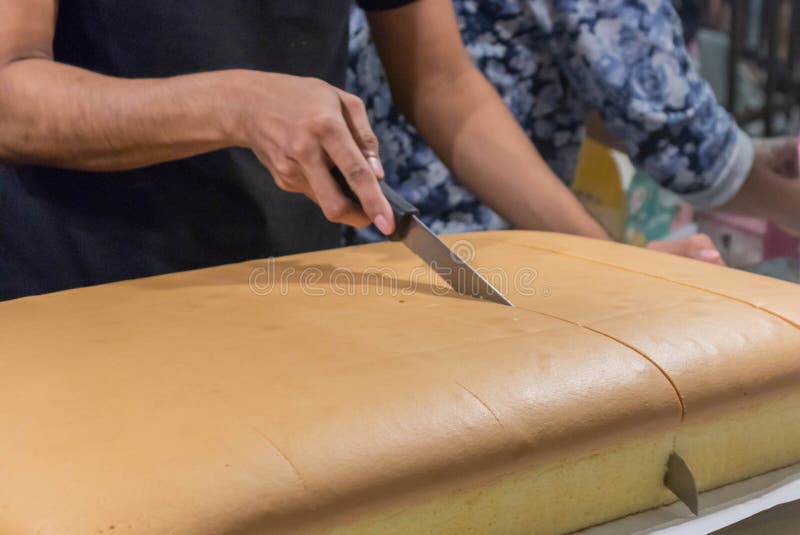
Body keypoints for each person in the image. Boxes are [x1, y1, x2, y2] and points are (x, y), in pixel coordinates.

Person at [0, 0, 613, 301]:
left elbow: (444, 84)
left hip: (285, 283)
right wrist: (236, 104)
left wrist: (606, 262)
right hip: (80, 296)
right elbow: (11, 93)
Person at [347, 0, 799, 257]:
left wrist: (754, 155)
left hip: (403, 221)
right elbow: (684, 142)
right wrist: (610, 263)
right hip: (449, 235)